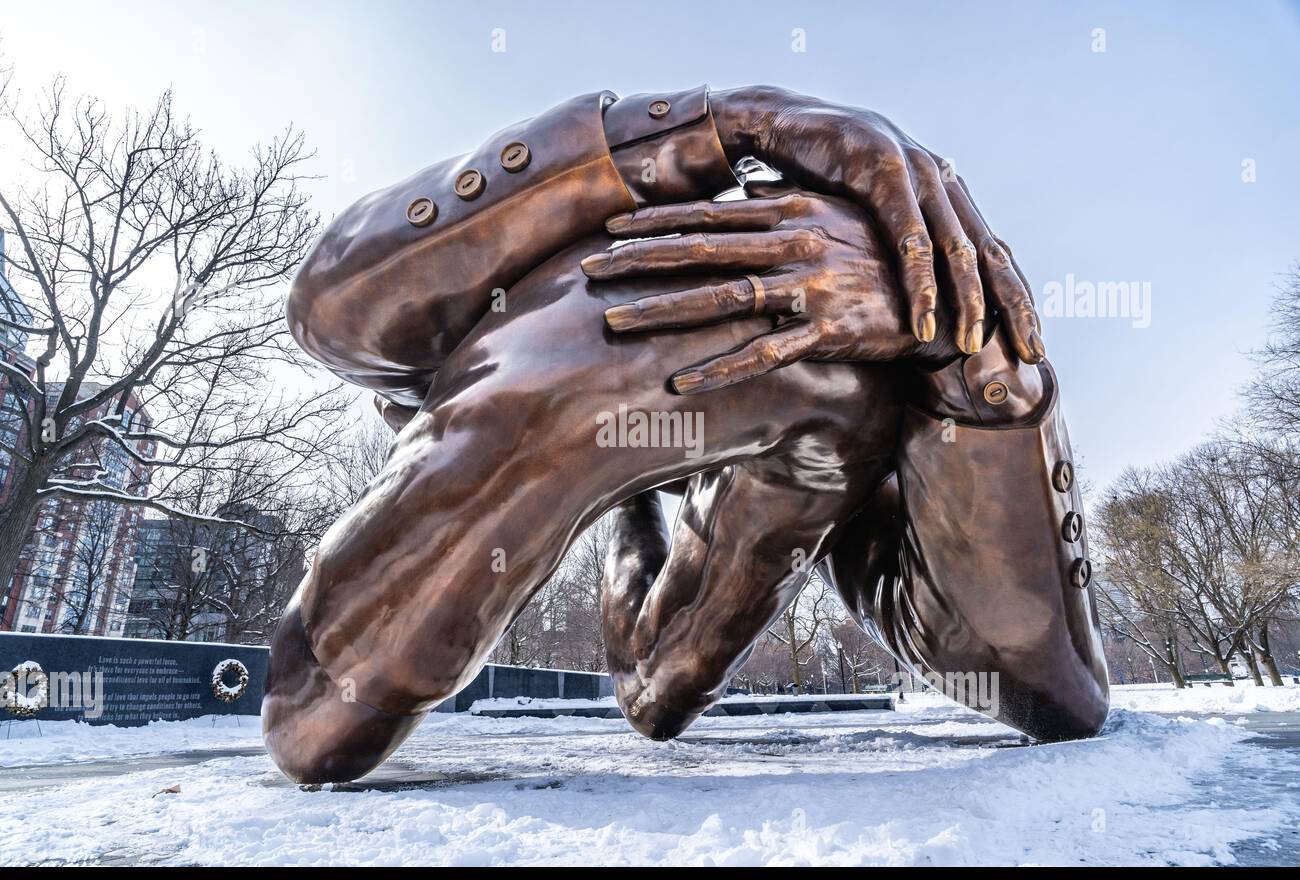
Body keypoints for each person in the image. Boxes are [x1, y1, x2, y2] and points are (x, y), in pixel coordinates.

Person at [266, 89, 1105, 785]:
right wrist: (728, 120)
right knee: (337, 309)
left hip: (781, 416)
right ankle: (567, 439)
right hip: (555, 344)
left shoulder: (853, 397)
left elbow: (1054, 686)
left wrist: (961, 336)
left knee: (665, 689)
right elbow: (312, 720)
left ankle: (591, 463)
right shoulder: (400, 299)